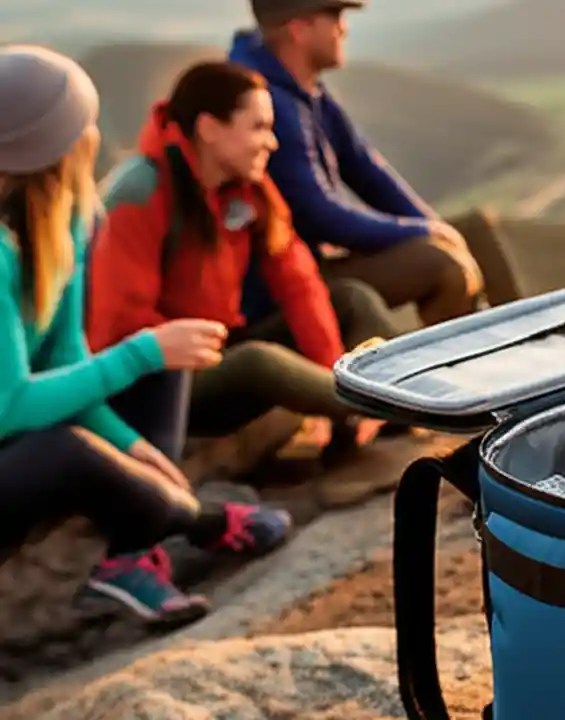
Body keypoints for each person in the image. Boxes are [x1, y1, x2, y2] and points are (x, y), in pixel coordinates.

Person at [0, 46, 292, 628]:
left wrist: (137, 450)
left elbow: (65, 358)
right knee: (72, 441)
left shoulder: (66, 227)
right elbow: (10, 406)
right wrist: (141, 354)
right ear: (58, 147)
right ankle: (200, 522)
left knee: (163, 356)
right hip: (14, 438)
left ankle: (132, 554)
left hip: (20, 438)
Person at [87, 61, 402, 507]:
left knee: (351, 299)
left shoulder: (246, 186)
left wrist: (329, 364)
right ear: (210, 128)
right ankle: (389, 404)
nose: (271, 142)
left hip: (217, 348)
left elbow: (297, 281)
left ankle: (363, 418)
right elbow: (118, 322)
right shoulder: (141, 192)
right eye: (258, 127)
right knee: (257, 362)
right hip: (157, 381)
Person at [228, 0, 525, 331]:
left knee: (470, 232)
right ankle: (456, 372)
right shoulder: (269, 105)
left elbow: (368, 171)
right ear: (299, 29)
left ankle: (524, 343)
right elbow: (321, 217)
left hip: (317, 263)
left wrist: (432, 225)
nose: (344, 28)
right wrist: (421, 231)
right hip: (290, 286)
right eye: (335, 16)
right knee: (441, 266)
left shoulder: (304, 90)